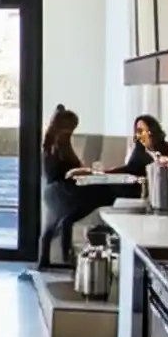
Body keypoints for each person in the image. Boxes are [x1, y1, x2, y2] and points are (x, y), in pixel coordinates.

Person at [38, 105, 113, 270]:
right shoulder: (62, 142)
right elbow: (72, 169)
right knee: (104, 193)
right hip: (64, 190)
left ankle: (47, 261)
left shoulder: (49, 140)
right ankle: (67, 257)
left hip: (53, 191)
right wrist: (87, 171)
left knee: (55, 224)